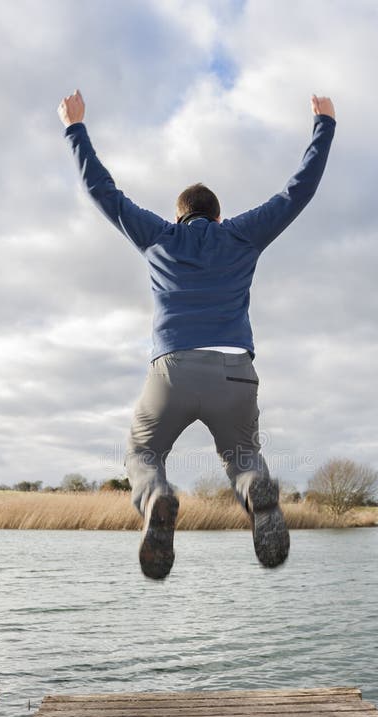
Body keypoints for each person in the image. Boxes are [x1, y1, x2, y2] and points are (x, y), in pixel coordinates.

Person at [58, 89, 336, 580]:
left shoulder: (158, 236)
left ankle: (157, 498)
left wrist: (75, 127)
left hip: (174, 370)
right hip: (235, 372)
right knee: (244, 455)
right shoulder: (241, 235)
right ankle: (256, 490)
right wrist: (324, 125)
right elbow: (299, 191)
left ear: (179, 212)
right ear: (219, 215)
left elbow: (103, 191)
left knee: (143, 453)